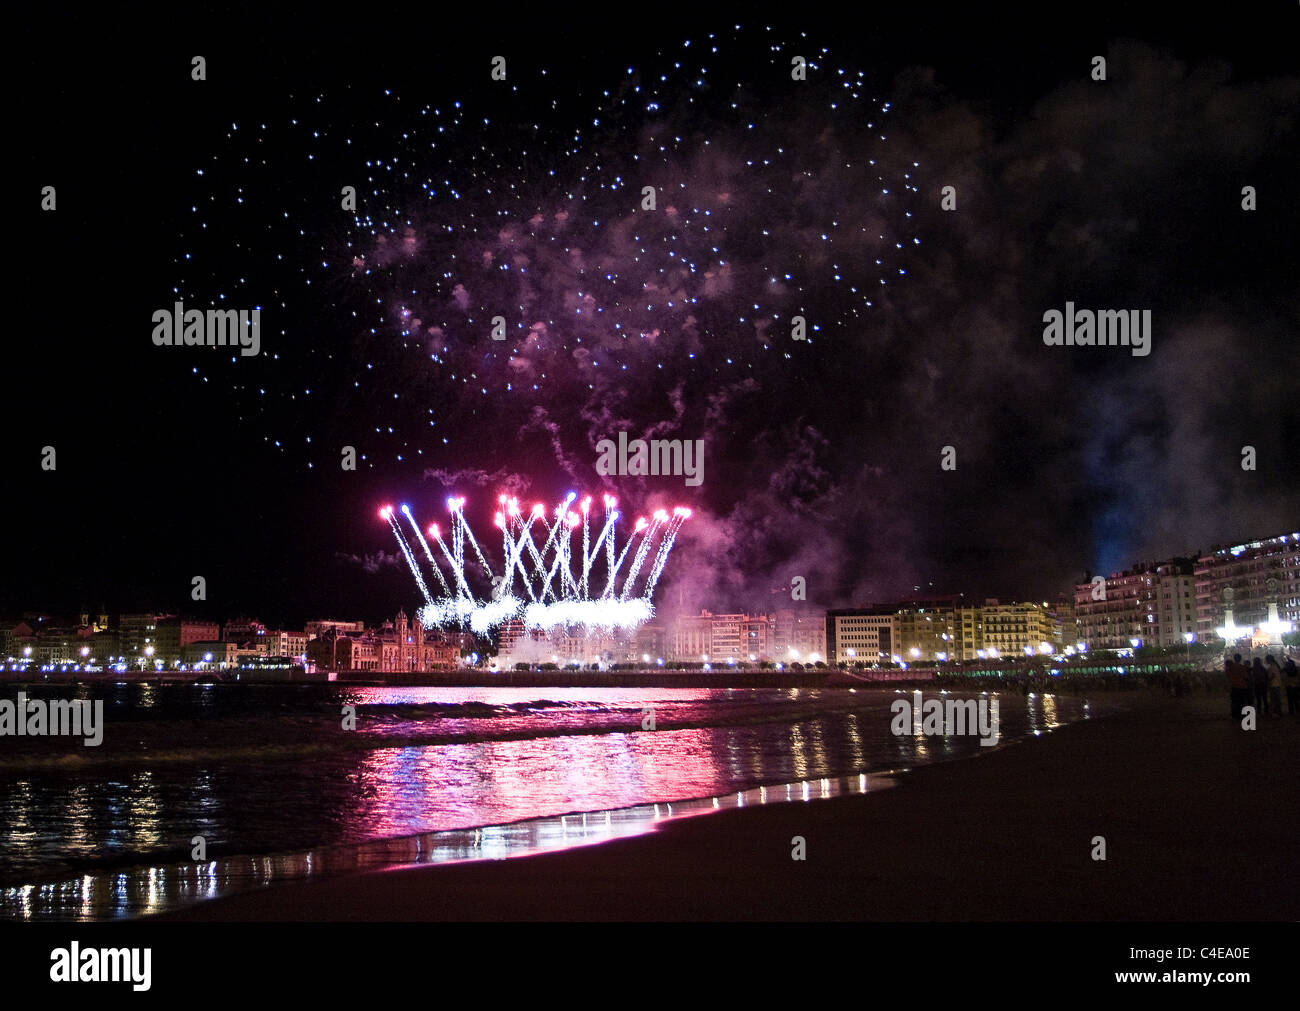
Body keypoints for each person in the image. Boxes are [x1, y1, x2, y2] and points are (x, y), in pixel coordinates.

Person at [1227, 653, 1250, 720]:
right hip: (1242, 687)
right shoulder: (1242, 668)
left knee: (1234, 702)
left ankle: (1234, 715)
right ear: (1240, 659)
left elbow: (1227, 675)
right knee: (1242, 702)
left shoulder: (1231, 668)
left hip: (1234, 686)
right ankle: (1242, 715)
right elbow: (1246, 677)